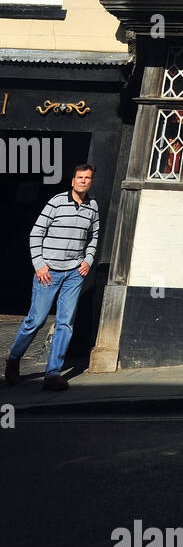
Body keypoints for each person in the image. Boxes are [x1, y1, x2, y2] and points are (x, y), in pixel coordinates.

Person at [4, 163, 100, 391]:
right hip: (48, 272)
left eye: (87, 178)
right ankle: (14, 358)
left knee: (65, 323)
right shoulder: (56, 202)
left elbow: (94, 236)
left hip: (74, 274)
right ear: (73, 181)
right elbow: (36, 232)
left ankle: (53, 374)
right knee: (36, 320)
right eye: (79, 177)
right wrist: (39, 265)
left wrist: (88, 260)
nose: (83, 181)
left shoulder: (93, 207)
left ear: (91, 181)